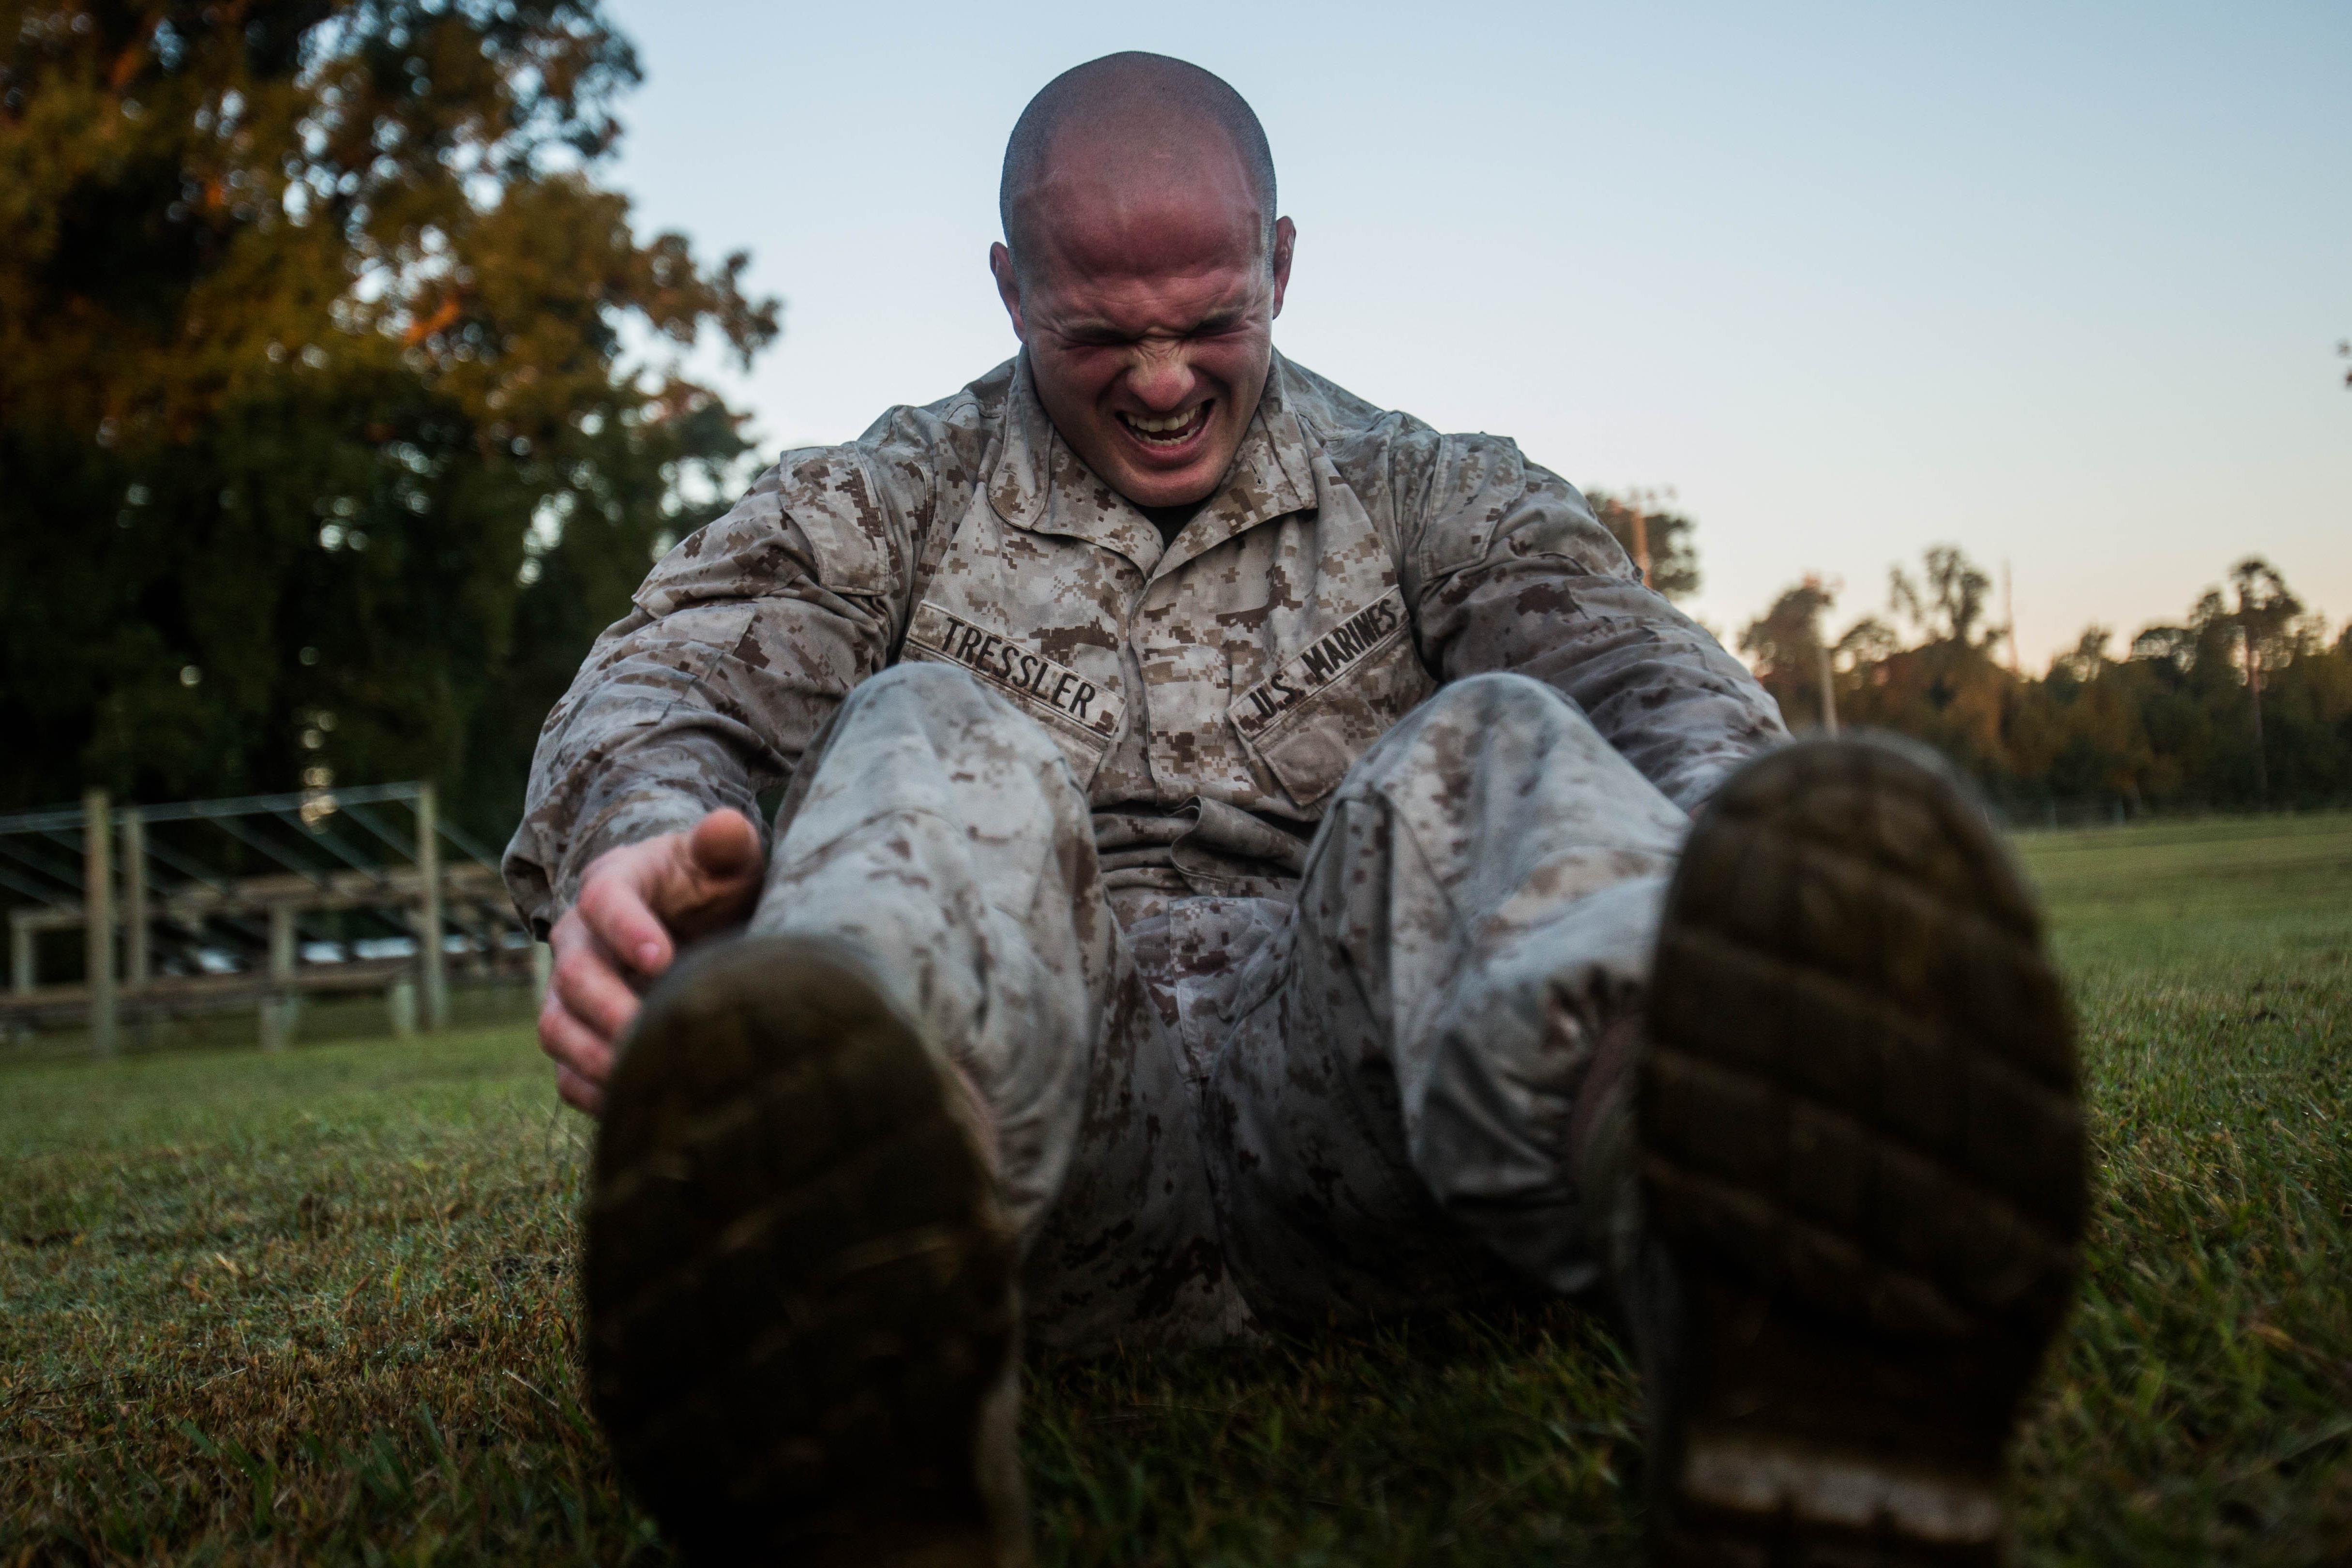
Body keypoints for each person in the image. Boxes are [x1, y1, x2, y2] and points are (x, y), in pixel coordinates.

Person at [505, 51, 2086, 1568]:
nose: (1163, 376)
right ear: (1007, 290)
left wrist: (1757, 883)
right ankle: (833, 1309)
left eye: (1210, 318)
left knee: (1491, 737)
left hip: (1384, 1121)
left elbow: (1642, 680)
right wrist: (644, 842)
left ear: (1280, 261)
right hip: (1011, 1163)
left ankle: (1740, 1230)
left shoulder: (1425, 490)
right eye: (1096, 334)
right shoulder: (886, 496)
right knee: (921, 730)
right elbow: (661, 679)